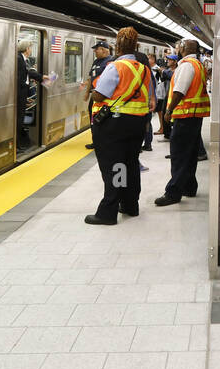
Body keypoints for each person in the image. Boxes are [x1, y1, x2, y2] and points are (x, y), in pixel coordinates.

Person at [85, 27, 154, 225]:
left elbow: (99, 94)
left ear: (117, 46)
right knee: (130, 163)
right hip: (137, 123)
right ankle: (130, 205)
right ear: (135, 46)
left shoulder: (116, 67)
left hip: (114, 125)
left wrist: (94, 88)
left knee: (114, 166)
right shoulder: (143, 69)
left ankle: (108, 211)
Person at [155, 40, 209, 206]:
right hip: (193, 116)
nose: (177, 50)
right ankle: (189, 187)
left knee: (179, 155)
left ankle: (173, 192)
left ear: (184, 49)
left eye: (178, 47)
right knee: (190, 154)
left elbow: (180, 90)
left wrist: (169, 110)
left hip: (185, 116)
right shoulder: (197, 64)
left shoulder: (186, 65)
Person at [83, 39, 112, 147]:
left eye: (97, 49)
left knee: (103, 119)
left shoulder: (110, 62)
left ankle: (104, 141)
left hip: (104, 97)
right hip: (94, 96)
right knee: (93, 119)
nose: (95, 51)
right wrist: (87, 92)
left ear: (104, 50)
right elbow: (91, 78)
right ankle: (96, 141)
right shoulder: (96, 62)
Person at [16, 40, 42, 150]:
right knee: (18, 120)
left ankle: (19, 143)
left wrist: (41, 77)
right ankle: (17, 145)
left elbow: (28, 73)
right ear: (27, 49)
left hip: (23, 95)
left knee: (20, 119)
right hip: (19, 95)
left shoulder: (23, 59)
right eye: (30, 48)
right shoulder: (19, 59)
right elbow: (20, 78)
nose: (31, 50)